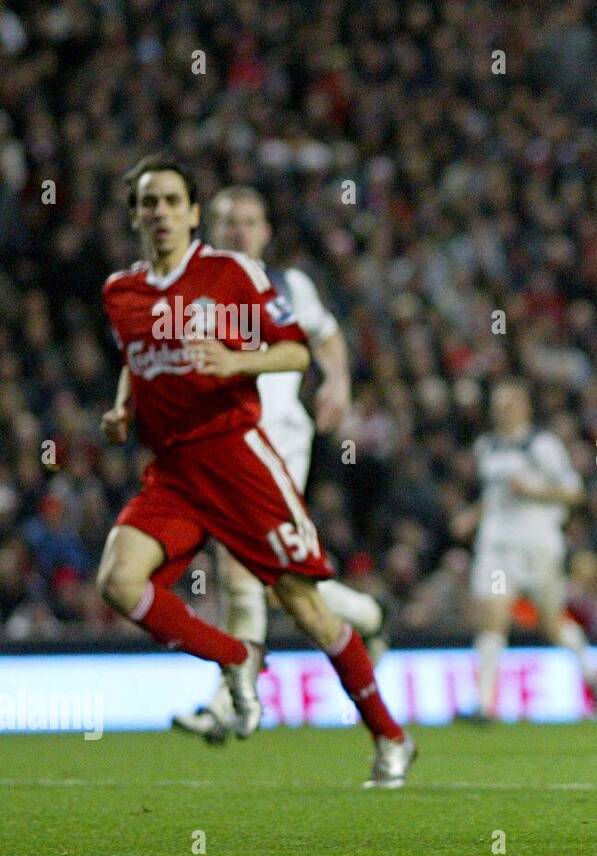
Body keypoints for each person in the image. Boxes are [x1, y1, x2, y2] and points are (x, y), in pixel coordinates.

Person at [96, 154, 415, 788]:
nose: (159, 212)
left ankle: (389, 734)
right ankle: (236, 659)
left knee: (302, 605)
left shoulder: (230, 277)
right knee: (117, 580)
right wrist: (123, 406)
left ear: (192, 215)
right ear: (134, 216)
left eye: (170, 201)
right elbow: (138, 355)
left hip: (240, 461)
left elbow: (297, 348)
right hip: (174, 473)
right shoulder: (121, 292)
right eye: (147, 202)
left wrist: (236, 365)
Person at [170, 185, 390, 746]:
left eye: (250, 221)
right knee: (273, 582)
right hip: (217, 447)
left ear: (265, 231)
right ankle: (366, 616)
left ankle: (232, 699)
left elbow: (328, 336)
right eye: (228, 221)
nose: (240, 231)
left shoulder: (288, 287)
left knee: (240, 568)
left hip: (278, 442)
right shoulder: (190, 296)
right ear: (208, 230)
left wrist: (338, 381)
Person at [455, 380, 597, 721]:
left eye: (509, 405)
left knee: (552, 625)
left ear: (524, 407)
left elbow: (573, 492)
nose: (502, 412)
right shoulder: (486, 447)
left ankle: (590, 675)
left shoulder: (542, 445)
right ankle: (485, 705)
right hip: (497, 549)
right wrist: (472, 516)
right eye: (498, 405)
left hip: (538, 547)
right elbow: (495, 495)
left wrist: (533, 491)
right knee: (491, 619)